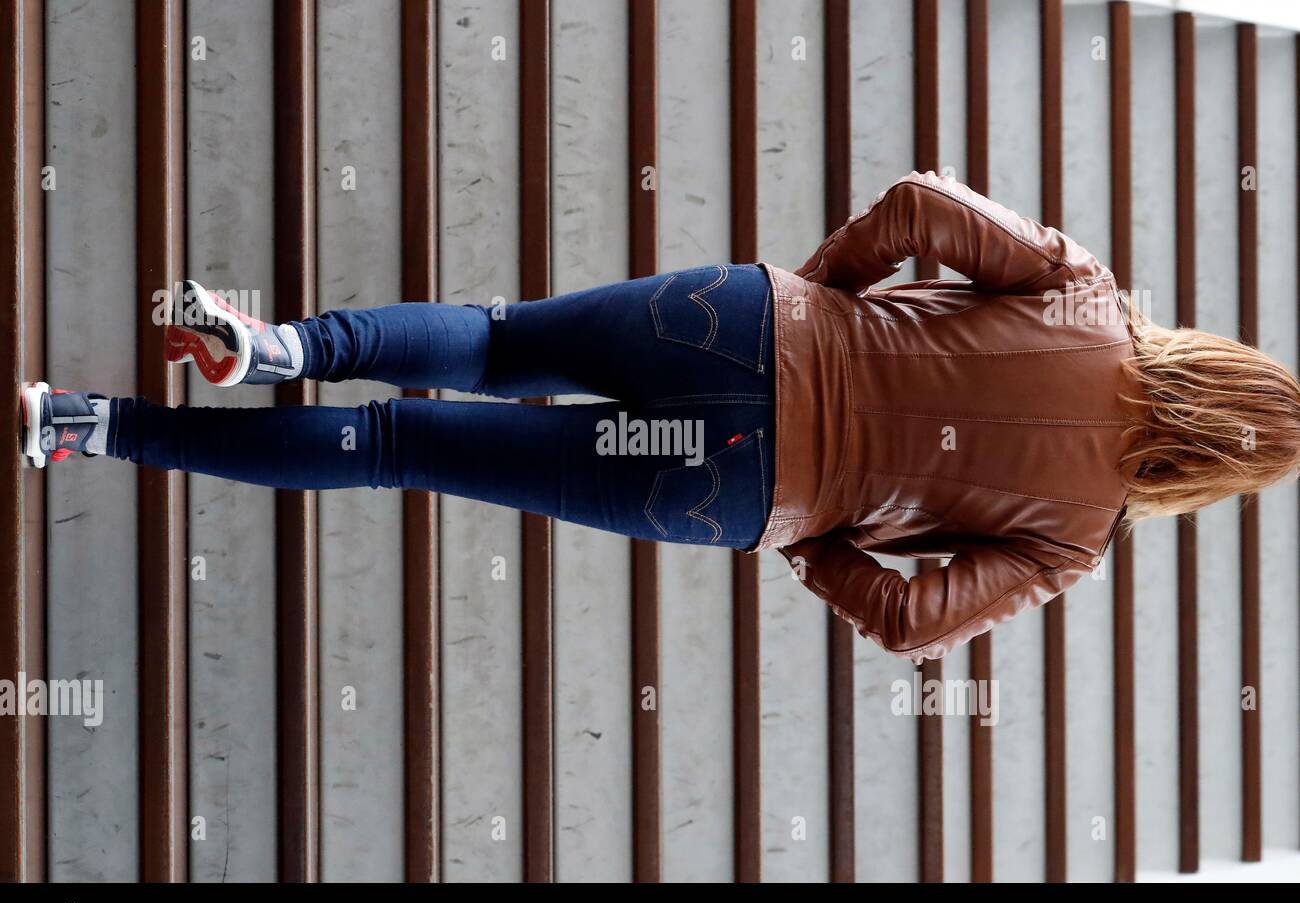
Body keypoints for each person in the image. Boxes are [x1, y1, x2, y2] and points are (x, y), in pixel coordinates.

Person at [22, 171, 1300, 661]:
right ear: (1215, 475)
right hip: (726, 481)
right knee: (403, 447)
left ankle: (282, 342)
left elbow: (920, 204)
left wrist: (821, 309)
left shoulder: (1087, 297)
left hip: (743, 324)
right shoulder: (1078, 538)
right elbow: (912, 618)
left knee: (498, 338)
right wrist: (808, 526)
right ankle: (91, 427)